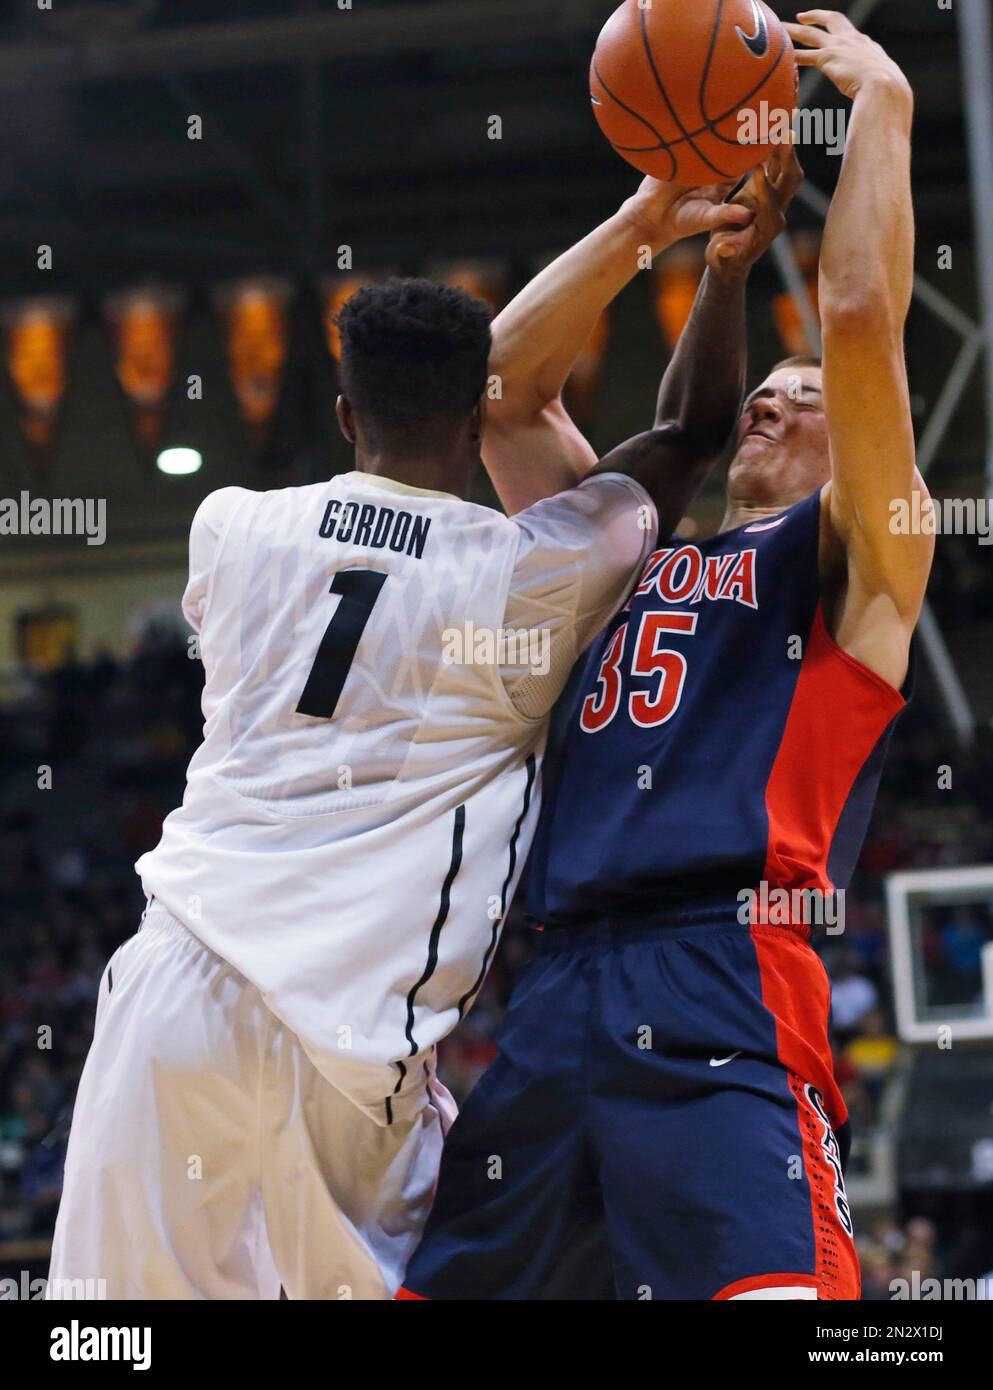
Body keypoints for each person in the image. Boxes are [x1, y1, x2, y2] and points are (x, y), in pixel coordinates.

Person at [47, 171, 782, 1299]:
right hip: (352, 1042)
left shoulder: (229, 528)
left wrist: (641, 217)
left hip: (173, 987)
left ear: (346, 414)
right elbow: (687, 431)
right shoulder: (532, 575)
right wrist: (690, 247)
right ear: (478, 412)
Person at [401, 11, 933, 1302]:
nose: (776, 399)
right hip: (551, 987)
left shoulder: (865, 554)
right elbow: (503, 394)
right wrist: (659, 220)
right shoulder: (622, 559)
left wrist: (883, 108)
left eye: (806, 400)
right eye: (768, 388)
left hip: (725, 973)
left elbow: (860, 318)